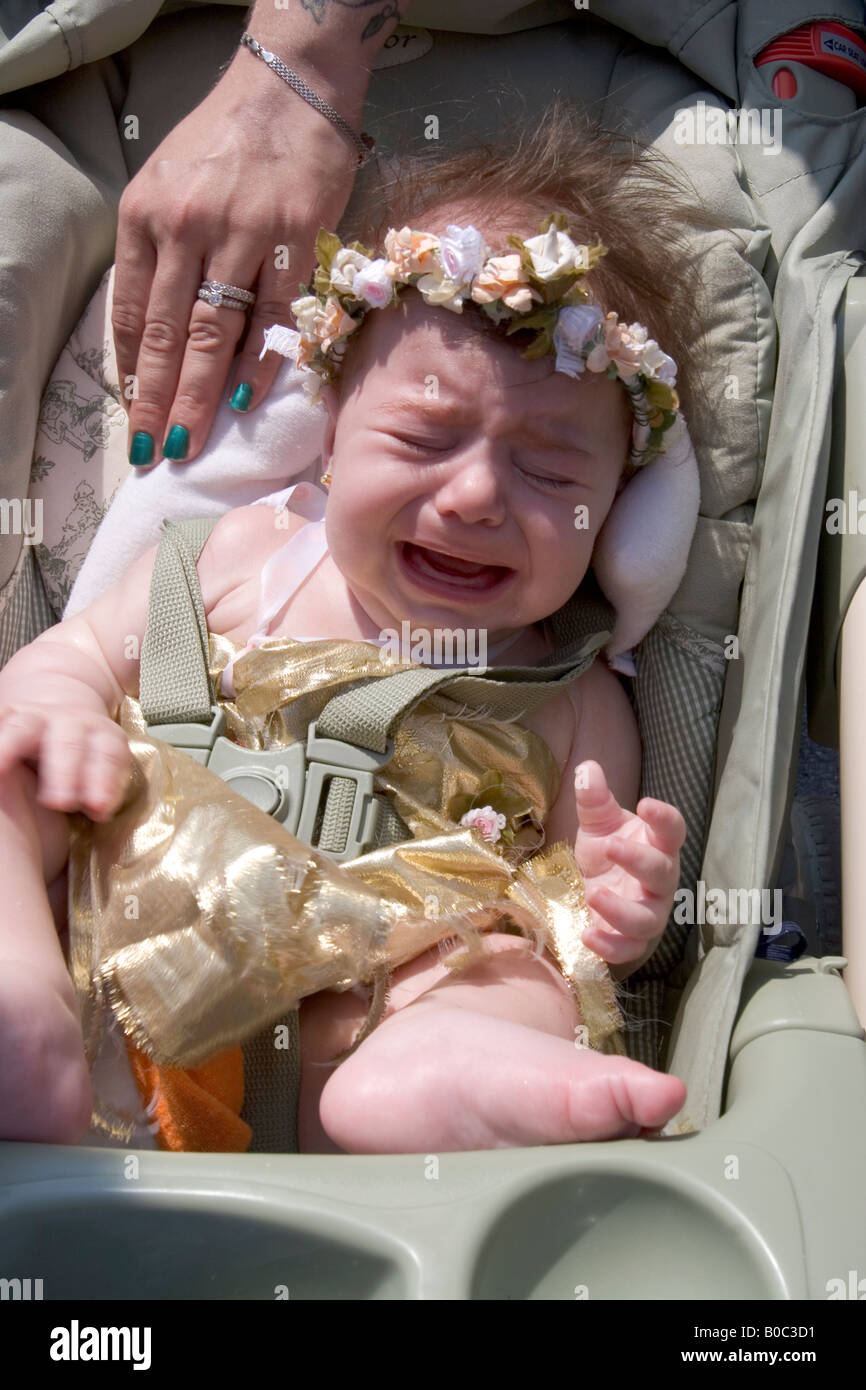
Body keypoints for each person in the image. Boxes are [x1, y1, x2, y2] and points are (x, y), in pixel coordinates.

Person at [0, 103, 712, 1152]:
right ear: (327, 435)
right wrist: (59, 707)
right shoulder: (229, 559)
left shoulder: (570, 694)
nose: (474, 494)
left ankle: (449, 1069)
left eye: (549, 472)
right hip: (122, 947)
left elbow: (577, 897)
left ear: (607, 513)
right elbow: (61, 661)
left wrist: (619, 901)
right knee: (11, 776)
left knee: (513, 963)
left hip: (383, 1004)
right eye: (424, 437)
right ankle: (19, 999)